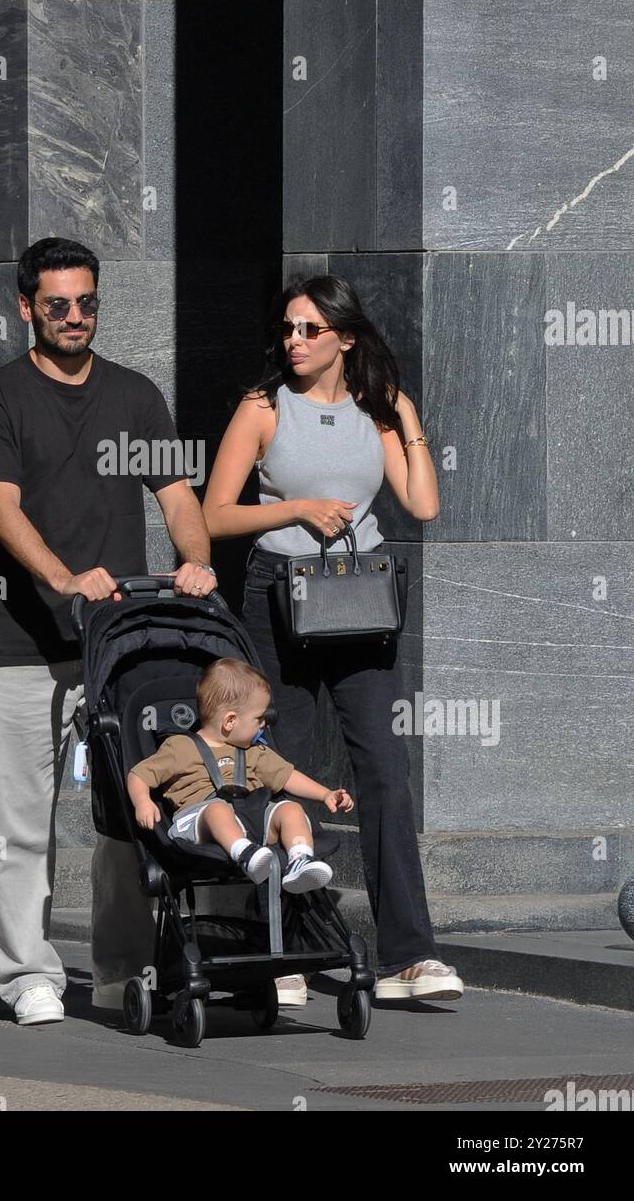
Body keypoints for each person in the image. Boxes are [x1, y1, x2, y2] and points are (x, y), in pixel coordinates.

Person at [0, 236, 217, 1026]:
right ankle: (28, 973)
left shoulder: (134, 395)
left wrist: (194, 561)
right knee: (21, 824)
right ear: (24, 308)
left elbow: (175, 493)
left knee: (129, 817)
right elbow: (1, 506)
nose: (74, 317)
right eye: (56, 305)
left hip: (120, 647)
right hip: (19, 642)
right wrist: (63, 579)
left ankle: (118, 972)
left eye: (87, 303)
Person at [202, 274, 464, 1005]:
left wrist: (404, 414)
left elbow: (423, 503)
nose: (293, 342)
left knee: (382, 768)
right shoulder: (261, 409)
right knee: (275, 770)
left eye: (309, 330)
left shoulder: (377, 412)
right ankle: (279, 954)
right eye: (287, 329)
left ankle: (410, 958)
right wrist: (295, 508)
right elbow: (213, 515)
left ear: (344, 338)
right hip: (275, 599)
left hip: (356, 602)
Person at [127, 657, 352, 892]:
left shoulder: (255, 752)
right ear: (230, 721)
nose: (265, 723)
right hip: (199, 820)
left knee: (291, 809)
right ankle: (244, 854)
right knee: (218, 810)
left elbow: (288, 776)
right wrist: (143, 801)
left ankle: (300, 860)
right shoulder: (180, 747)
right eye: (259, 718)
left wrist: (325, 794)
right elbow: (139, 775)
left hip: (251, 815)